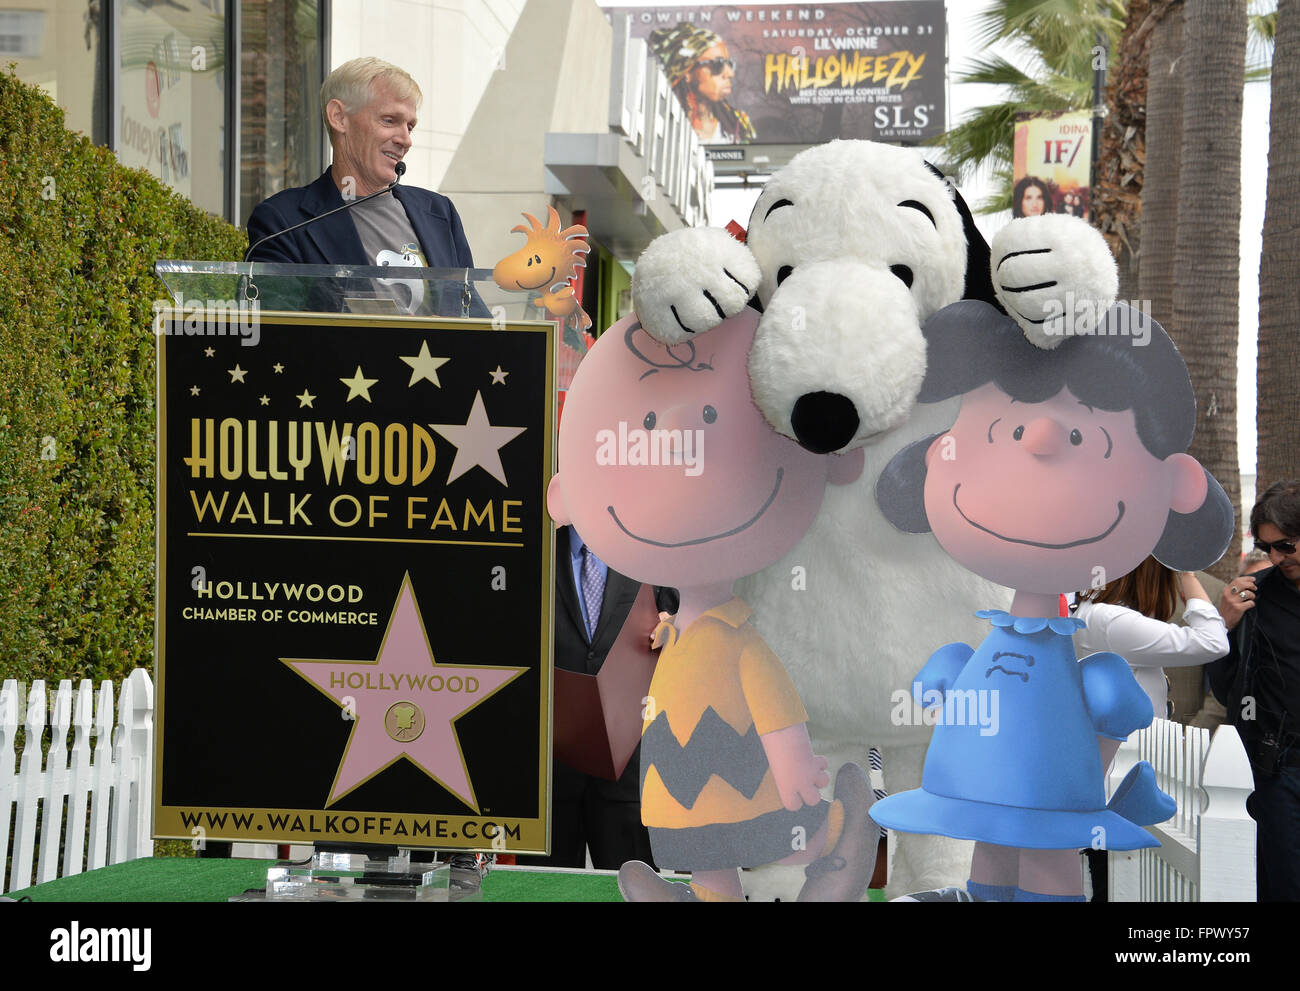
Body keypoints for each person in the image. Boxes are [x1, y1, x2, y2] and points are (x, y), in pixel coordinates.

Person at [870, 299, 1233, 901]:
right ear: (937, 454)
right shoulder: (1021, 634)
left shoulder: (1097, 639)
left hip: (1056, 794)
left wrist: (1107, 706)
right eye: (1006, 430)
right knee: (991, 842)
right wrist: (946, 677)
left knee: (1045, 852)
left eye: (1077, 434)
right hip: (975, 790)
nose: (1039, 440)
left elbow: (1121, 703)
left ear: (1176, 486)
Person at [516, 526, 677, 870]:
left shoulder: (649, 552)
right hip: (551, 764)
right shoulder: (533, 549)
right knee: (548, 890)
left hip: (627, 762)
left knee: (631, 884)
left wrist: (678, 626)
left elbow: (691, 621)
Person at [245, 57, 475, 271]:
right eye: (389, 120)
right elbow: (277, 313)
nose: (405, 140)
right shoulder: (283, 222)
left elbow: (472, 310)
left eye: (410, 127)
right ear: (339, 117)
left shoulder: (440, 212)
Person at [1209, 479, 1300, 901]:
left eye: (1287, 545)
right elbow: (1228, 687)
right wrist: (1224, 627)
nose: (1278, 557)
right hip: (1281, 766)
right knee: (1283, 882)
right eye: (1268, 549)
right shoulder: (1255, 597)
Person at [1074, 556, 1228, 719]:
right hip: (1127, 741)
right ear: (1153, 576)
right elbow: (1214, 642)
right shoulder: (1113, 621)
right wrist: (1188, 575)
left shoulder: (1095, 612)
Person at [648, 24, 755, 144]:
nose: (730, 73)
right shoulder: (661, 123)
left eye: (729, 63)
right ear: (687, 73)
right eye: (717, 64)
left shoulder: (739, 123)